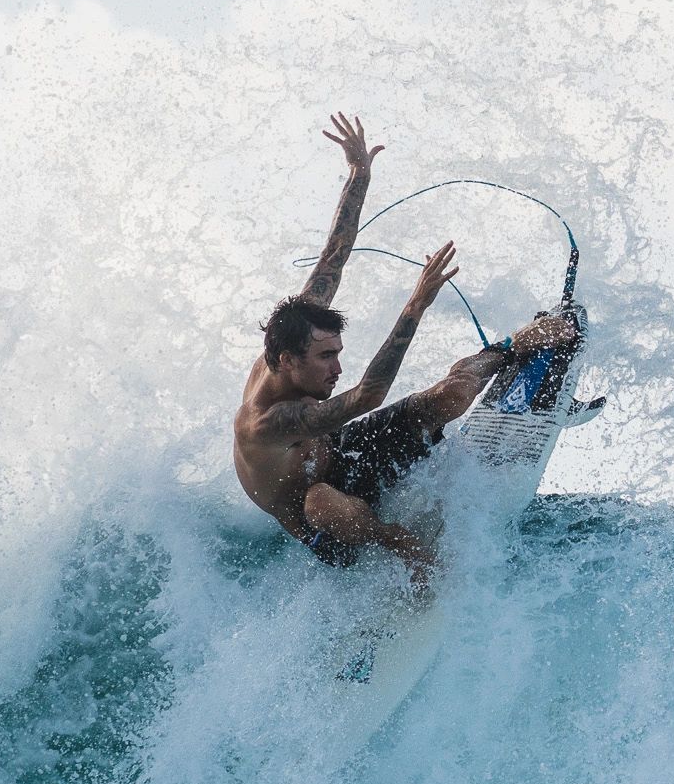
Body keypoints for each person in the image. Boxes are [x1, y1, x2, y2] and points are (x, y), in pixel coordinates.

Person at [234, 113, 576, 572]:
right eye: (326, 358)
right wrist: (416, 305)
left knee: (451, 395)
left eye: (337, 352)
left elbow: (336, 254)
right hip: (330, 532)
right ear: (285, 360)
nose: (337, 368)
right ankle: (410, 551)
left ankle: (509, 347)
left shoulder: (300, 323)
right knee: (319, 501)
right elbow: (367, 395)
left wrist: (359, 176)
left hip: (348, 455)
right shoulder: (270, 423)